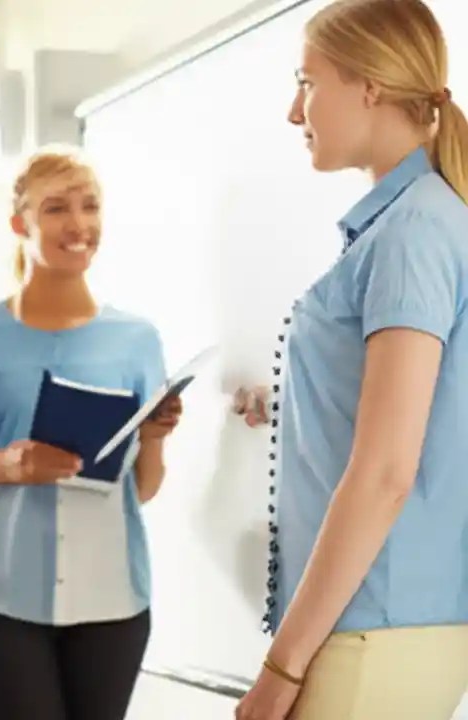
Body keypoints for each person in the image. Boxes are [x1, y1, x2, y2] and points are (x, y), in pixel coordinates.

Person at [235, 1, 468, 719]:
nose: (292, 109)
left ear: (369, 85)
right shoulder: (424, 222)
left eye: (307, 81)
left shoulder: (412, 233)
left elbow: (387, 475)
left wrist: (281, 668)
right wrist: (291, 398)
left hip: (369, 632)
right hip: (388, 630)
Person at [0, 145, 184, 720]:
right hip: (0, 597)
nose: (79, 224)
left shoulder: (138, 339)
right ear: (21, 223)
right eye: (58, 208)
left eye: (90, 206)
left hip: (113, 600)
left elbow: (143, 488)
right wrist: (8, 466)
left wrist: (156, 438)